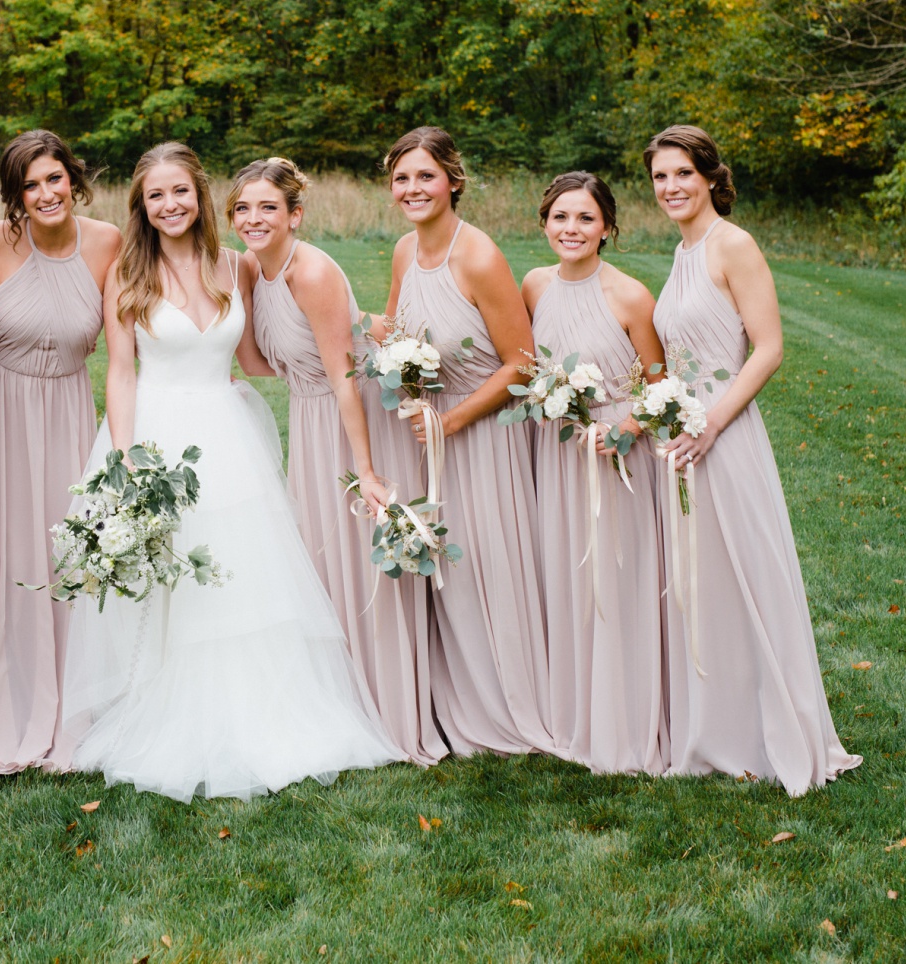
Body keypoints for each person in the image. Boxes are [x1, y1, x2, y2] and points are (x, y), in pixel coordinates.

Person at [61, 142, 401, 801]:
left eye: (181, 192)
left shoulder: (232, 266)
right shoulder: (128, 274)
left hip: (226, 433)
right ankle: (160, 706)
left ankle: (250, 709)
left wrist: (355, 341)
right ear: (143, 205)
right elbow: (122, 371)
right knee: (171, 578)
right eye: (156, 195)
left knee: (238, 577)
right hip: (153, 437)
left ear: (199, 196)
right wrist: (127, 459)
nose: (170, 205)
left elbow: (255, 356)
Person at [646, 124, 860, 796]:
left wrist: (710, 423)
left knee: (749, 576)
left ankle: (780, 732)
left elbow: (767, 348)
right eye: (660, 177)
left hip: (726, 434)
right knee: (704, 580)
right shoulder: (682, 254)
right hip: (687, 433)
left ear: (711, 176)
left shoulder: (732, 245)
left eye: (683, 173)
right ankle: (722, 728)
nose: (672, 187)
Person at [232, 158, 445, 765]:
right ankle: (340, 695)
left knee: (355, 556)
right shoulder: (253, 267)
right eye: (243, 209)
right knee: (323, 559)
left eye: (269, 208)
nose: (254, 219)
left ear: (295, 216)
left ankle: (387, 706)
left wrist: (368, 472)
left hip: (348, 420)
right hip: (308, 415)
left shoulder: (313, 271)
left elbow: (345, 378)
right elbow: (252, 363)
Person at [373, 127, 553, 757]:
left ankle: (511, 703)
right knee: (442, 568)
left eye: (425, 175)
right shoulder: (402, 251)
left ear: (452, 179)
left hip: (480, 438)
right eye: (401, 177)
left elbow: (522, 363)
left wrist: (449, 423)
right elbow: (392, 333)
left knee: (489, 567)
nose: (412, 188)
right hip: (428, 437)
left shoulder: (476, 256)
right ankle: (456, 699)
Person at [0, 131, 121, 774]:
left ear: (74, 180)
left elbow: (123, 350)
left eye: (54, 178)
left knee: (63, 553)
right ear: (15, 197)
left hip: (66, 412)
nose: (45, 193)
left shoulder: (109, 242)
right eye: (30, 185)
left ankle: (65, 696)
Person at [521, 172, 668, 774]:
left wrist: (626, 430)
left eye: (585, 218)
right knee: (565, 573)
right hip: (556, 451)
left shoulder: (631, 296)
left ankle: (625, 718)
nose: (571, 229)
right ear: (544, 224)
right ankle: (570, 707)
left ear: (607, 227)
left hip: (615, 457)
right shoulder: (532, 286)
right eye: (560, 217)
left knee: (616, 577)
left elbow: (662, 389)